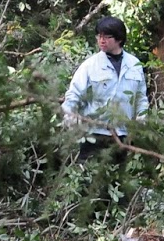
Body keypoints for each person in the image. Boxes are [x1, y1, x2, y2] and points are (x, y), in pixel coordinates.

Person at [62, 16, 149, 161]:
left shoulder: (134, 64)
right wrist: (69, 114)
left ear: (119, 39)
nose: (101, 40)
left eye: (107, 37)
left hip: (123, 134)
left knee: (118, 178)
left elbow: (141, 97)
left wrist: (142, 117)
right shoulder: (90, 65)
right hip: (94, 133)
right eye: (99, 36)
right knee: (89, 176)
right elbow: (74, 93)